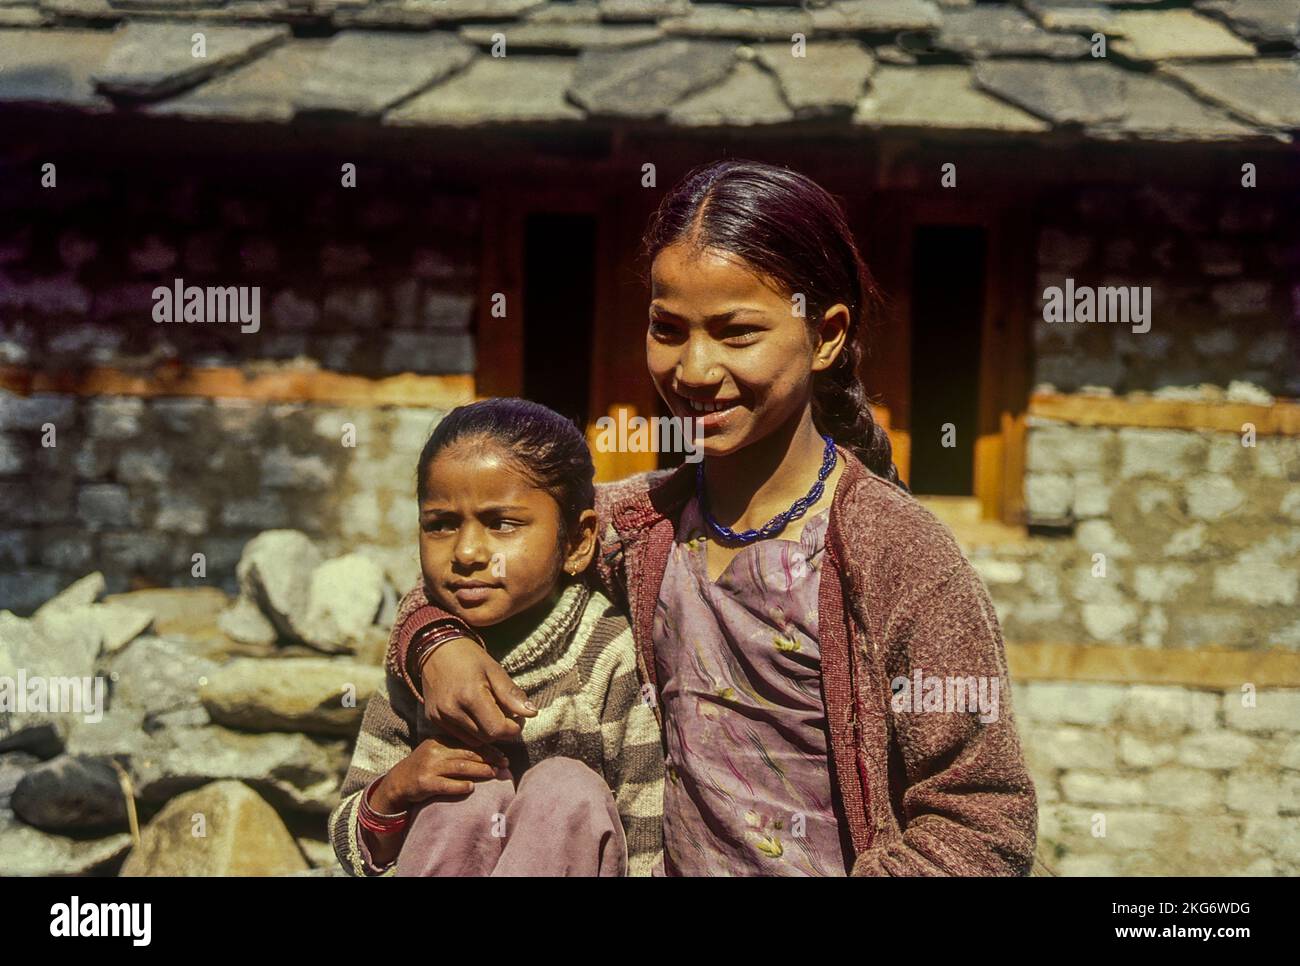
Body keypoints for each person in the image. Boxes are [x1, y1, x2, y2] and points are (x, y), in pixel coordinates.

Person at [384, 160, 1038, 876]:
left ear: (826, 336)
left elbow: (982, 823)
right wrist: (437, 643)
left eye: (736, 333)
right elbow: (475, 570)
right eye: (669, 329)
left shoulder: (900, 558)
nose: (693, 370)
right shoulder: (635, 527)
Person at [328, 398, 664, 876]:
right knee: (463, 794)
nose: (466, 551)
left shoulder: (606, 655)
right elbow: (349, 844)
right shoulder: (423, 661)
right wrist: (395, 789)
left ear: (577, 541)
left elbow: (648, 832)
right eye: (440, 525)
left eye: (502, 523)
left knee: (565, 789)